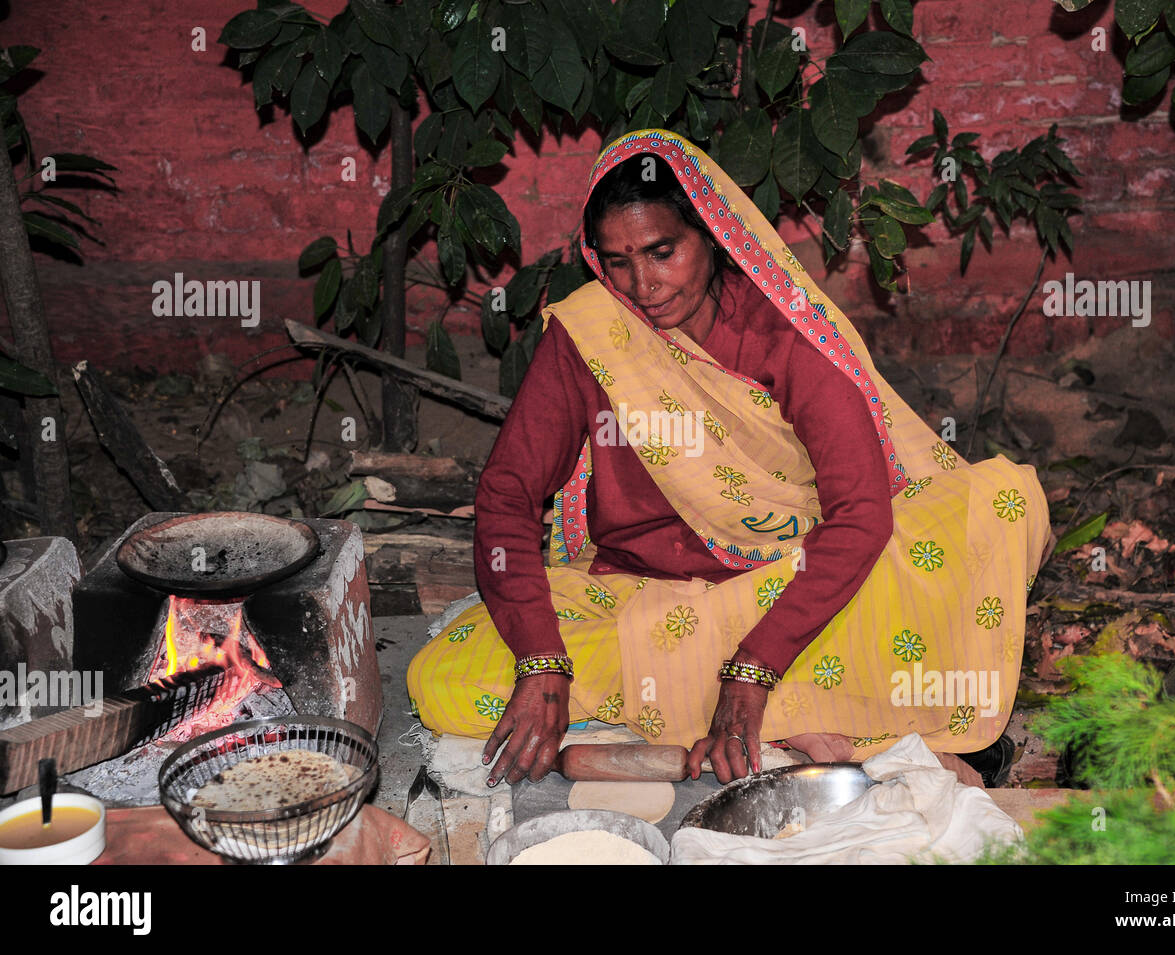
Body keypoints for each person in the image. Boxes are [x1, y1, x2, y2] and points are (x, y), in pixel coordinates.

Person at [407, 128, 1052, 790]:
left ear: (712, 234)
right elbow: (508, 491)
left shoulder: (782, 335)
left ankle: (752, 716)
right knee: (443, 680)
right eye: (619, 260)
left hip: (791, 592)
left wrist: (752, 667)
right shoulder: (591, 334)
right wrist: (542, 661)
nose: (644, 285)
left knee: (987, 515)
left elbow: (860, 514)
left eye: (663, 251)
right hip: (644, 602)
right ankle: (826, 731)